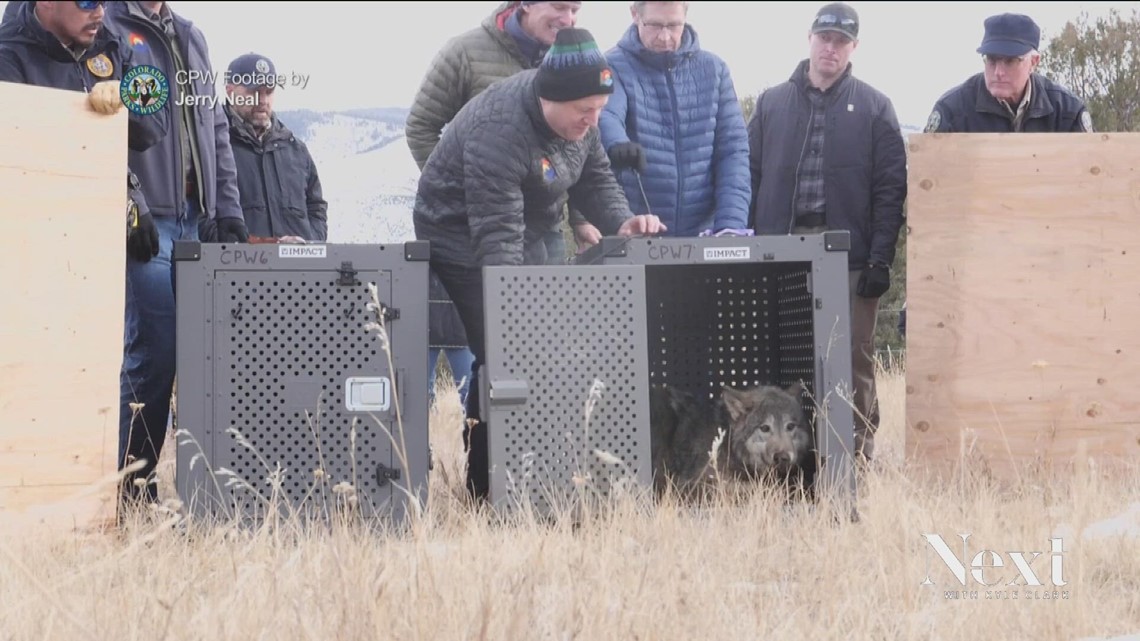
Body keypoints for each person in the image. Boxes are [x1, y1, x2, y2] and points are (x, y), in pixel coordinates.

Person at [413, 27, 666, 501]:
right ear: (551, 99)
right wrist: (516, 313)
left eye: (599, 110)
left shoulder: (580, 120)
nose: (593, 121)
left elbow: (596, 179)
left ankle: (550, 468)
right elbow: (497, 238)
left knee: (549, 344)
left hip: (532, 224)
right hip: (459, 232)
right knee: (504, 346)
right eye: (583, 111)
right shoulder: (500, 129)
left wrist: (623, 222)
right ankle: (489, 482)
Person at [747, 2, 907, 465]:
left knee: (853, 355)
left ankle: (857, 452)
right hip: (780, 246)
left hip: (850, 252)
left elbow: (890, 189)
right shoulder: (772, 102)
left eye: (841, 41)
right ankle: (777, 456)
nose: (830, 48)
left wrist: (879, 259)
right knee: (778, 351)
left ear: (853, 47)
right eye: (824, 38)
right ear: (810, 38)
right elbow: (748, 174)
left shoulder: (876, 107)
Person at [104, 0, 248, 511]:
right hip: (148, 219)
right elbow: (104, 124)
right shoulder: (110, 26)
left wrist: (227, 208)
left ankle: (213, 491)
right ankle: (130, 491)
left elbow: (215, 128)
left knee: (211, 354)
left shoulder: (191, 35)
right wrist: (128, 201)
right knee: (155, 351)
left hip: (198, 217)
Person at [407, 1, 582, 404]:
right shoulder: (465, 52)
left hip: (545, 230)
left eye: (576, 10)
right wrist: (464, 193)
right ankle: (485, 453)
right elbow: (420, 126)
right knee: (497, 348)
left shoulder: (576, 57)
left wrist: (582, 217)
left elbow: (583, 147)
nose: (568, 19)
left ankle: (545, 454)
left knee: (549, 351)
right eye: (559, 6)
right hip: (478, 231)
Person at [0, 0, 164, 269]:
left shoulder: (114, 44)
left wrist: (127, 100)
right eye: (86, 2)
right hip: (35, 234)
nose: (99, 12)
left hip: (106, 228)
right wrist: (84, 112)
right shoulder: (9, 54)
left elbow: (157, 123)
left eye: (104, 2)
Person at [592, 0, 750, 240]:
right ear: (635, 14)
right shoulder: (611, 65)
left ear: (686, 17)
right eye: (655, 25)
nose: (665, 37)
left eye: (674, 25)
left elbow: (733, 152)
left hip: (704, 234)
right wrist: (617, 143)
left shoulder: (715, 70)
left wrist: (731, 224)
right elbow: (607, 114)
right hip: (638, 232)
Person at [924, 13, 1093, 133]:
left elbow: (1091, 171)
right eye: (991, 59)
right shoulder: (953, 110)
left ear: (1033, 62)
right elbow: (928, 173)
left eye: (1010, 61)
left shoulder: (1067, 111)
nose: (998, 72)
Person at [224, 52, 328, 242]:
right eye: (254, 92)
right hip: (237, 267)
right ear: (230, 91)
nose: (263, 100)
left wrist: (313, 242)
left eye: (269, 92)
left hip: (301, 269)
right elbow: (200, 214)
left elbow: (316, 207)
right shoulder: (215, 147)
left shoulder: (296, 151)